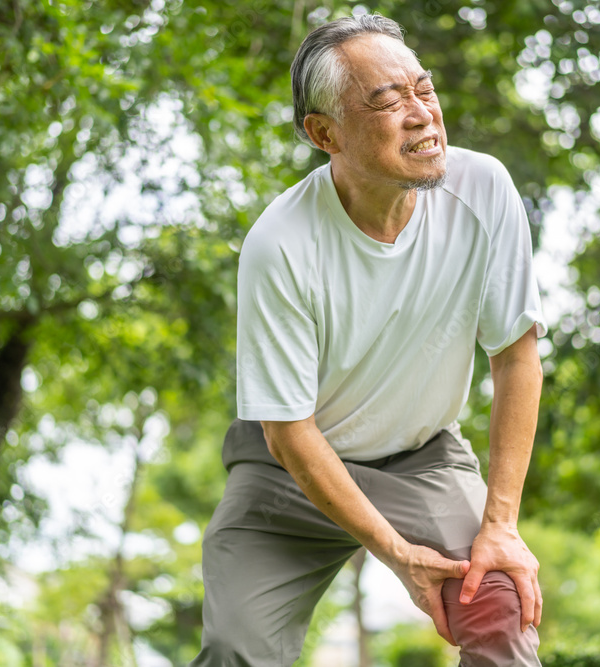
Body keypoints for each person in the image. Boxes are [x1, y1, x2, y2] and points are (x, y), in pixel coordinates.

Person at [191, 13, 548, 667]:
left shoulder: (484, 190)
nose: (421, 115)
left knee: (500, 604)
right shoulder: (280, 245)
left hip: (421, 458)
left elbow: (517, 356)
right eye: (387, 100)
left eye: (424, 89)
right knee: (235, 648)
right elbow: (288, 431)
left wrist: (500, 524)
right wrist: (397, 553)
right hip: (287, 473)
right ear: (324, 133)